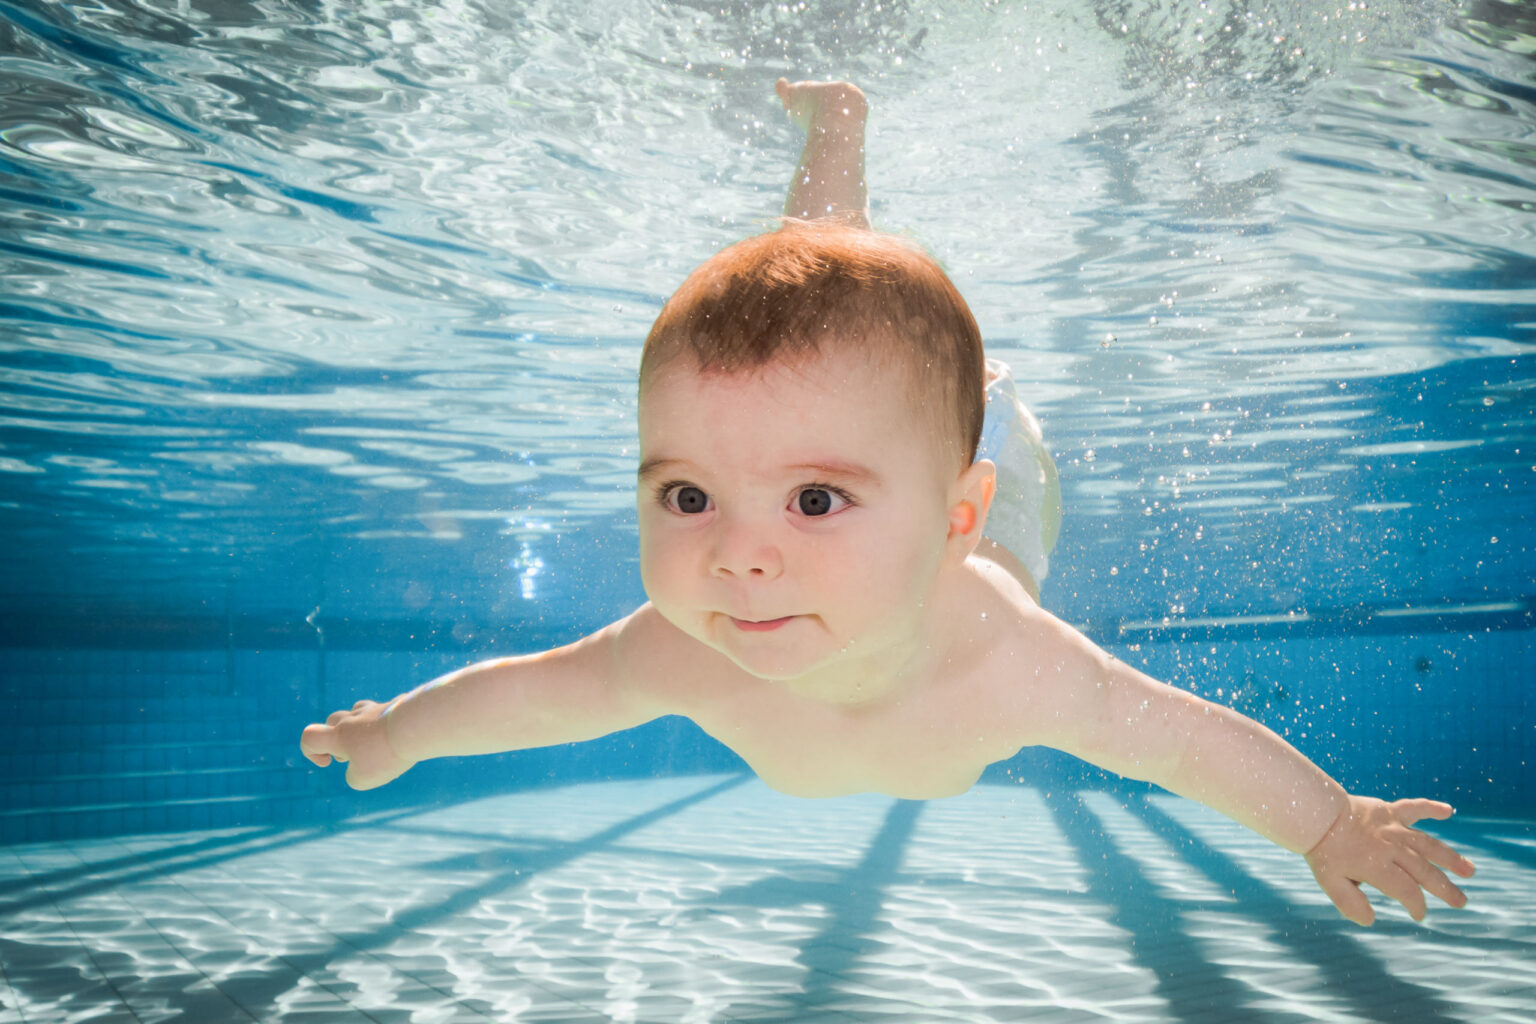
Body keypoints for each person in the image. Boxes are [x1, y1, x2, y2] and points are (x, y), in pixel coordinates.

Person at [301, 79, 1474, 928]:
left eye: (813, 499)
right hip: (925, 466)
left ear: (950, 518)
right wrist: (402, 731)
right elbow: (545, 694)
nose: (739, 557)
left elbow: (1179, 740)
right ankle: (838, 135)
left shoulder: (1015, 662)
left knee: (913, 372)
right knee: (831, 320)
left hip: (1005, 494)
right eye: (690, 493)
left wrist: (1329, 824)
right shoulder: (683, 649)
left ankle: (965, 397)